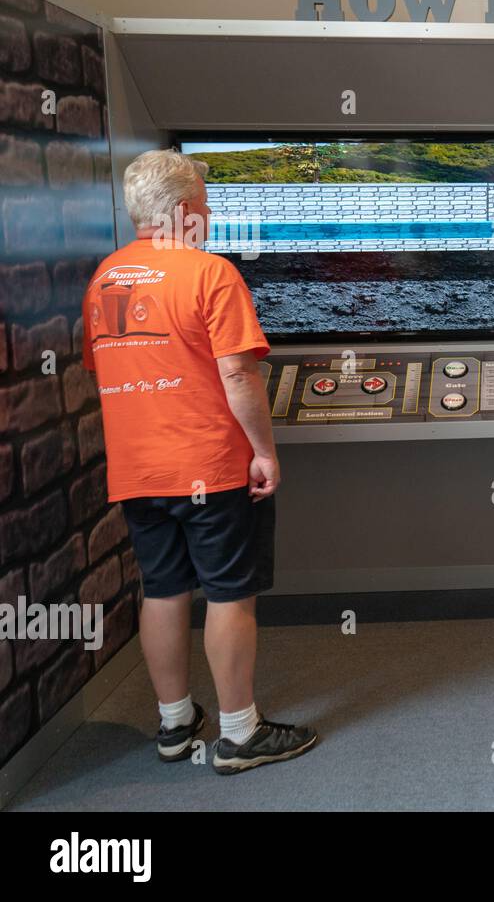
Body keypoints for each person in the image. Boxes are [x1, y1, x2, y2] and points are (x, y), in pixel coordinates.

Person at [82, 149, 318, 774]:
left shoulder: (104, 278)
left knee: (162, 592)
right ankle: (240, 734)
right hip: (208, 465)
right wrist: (264, 452)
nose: (209, 218)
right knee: (229, 595)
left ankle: (175, 721)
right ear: (185, 210)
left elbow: (109, 369)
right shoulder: (209, 273)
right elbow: (238, 373)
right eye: (206, 208)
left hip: (137, 469)